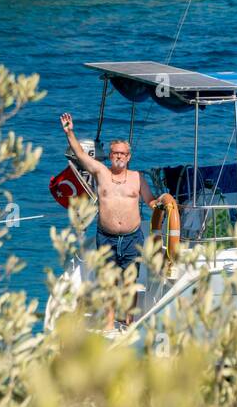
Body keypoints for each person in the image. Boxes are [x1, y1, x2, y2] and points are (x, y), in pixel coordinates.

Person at [60, 113, 168, 323]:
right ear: (110, 156)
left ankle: (129, 322)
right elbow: (80, 154)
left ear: (128, 157)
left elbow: (150, 201)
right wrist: (69, 132)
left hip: (131, 238)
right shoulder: (101, 172)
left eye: (122, 154)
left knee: (130, 283)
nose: (118, 156)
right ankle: (110, 322)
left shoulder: (137, 178)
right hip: (106, 237)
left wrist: (165, 206)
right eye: (115, 153)